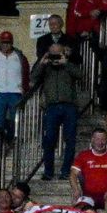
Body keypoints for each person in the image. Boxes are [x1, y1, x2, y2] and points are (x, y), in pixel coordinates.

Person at [34, 35, 85, 182]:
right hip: (51, 107)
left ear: (63, 53)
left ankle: (65, 172)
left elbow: (80, 75)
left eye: (58, 53)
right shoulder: (46, 65)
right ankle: (48, 172)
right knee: (49, 140)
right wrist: (42, 63)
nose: (55, 57)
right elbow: (34, 77)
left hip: (69, 106)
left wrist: (66, 63)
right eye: (53, 54)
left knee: (70, 140)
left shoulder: (68, 64)